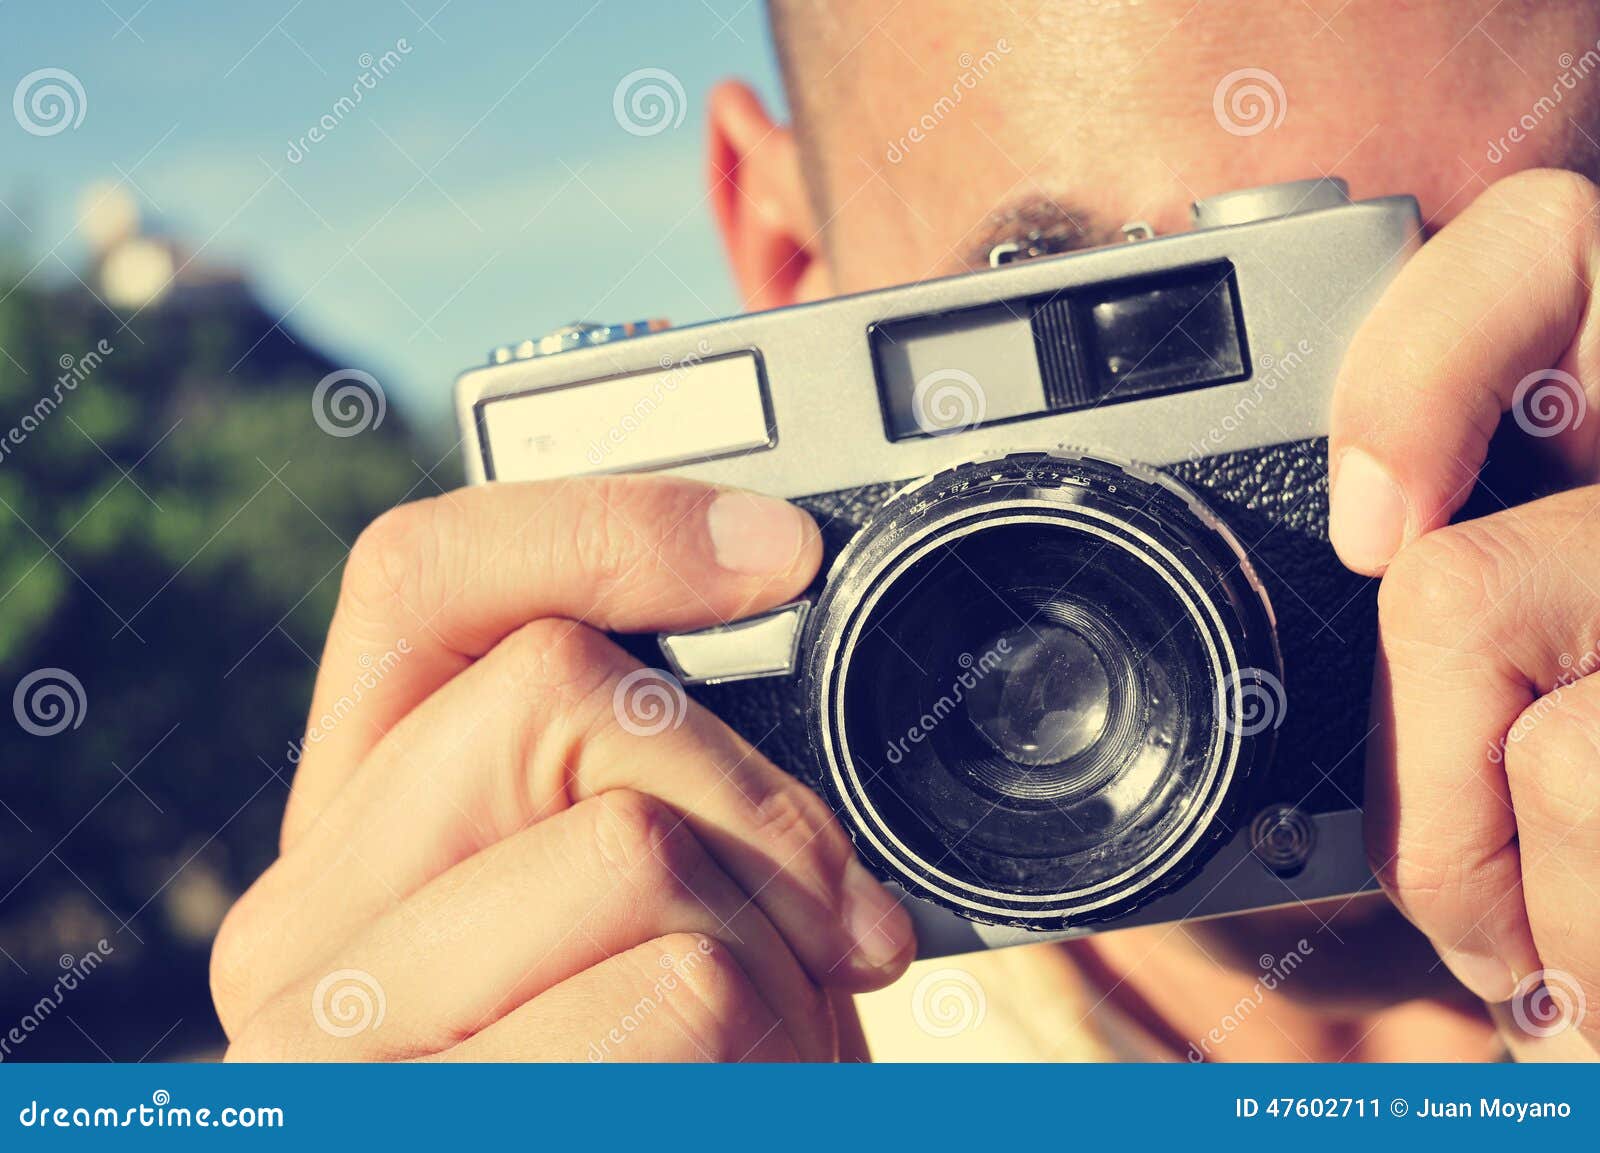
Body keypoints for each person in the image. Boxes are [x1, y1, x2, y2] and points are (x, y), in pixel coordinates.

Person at [211, 0, 1600, 1061]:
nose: (1411, 485)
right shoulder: (713, 1012)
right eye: (1075, 300)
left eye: (1510, 313)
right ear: (790, 267)